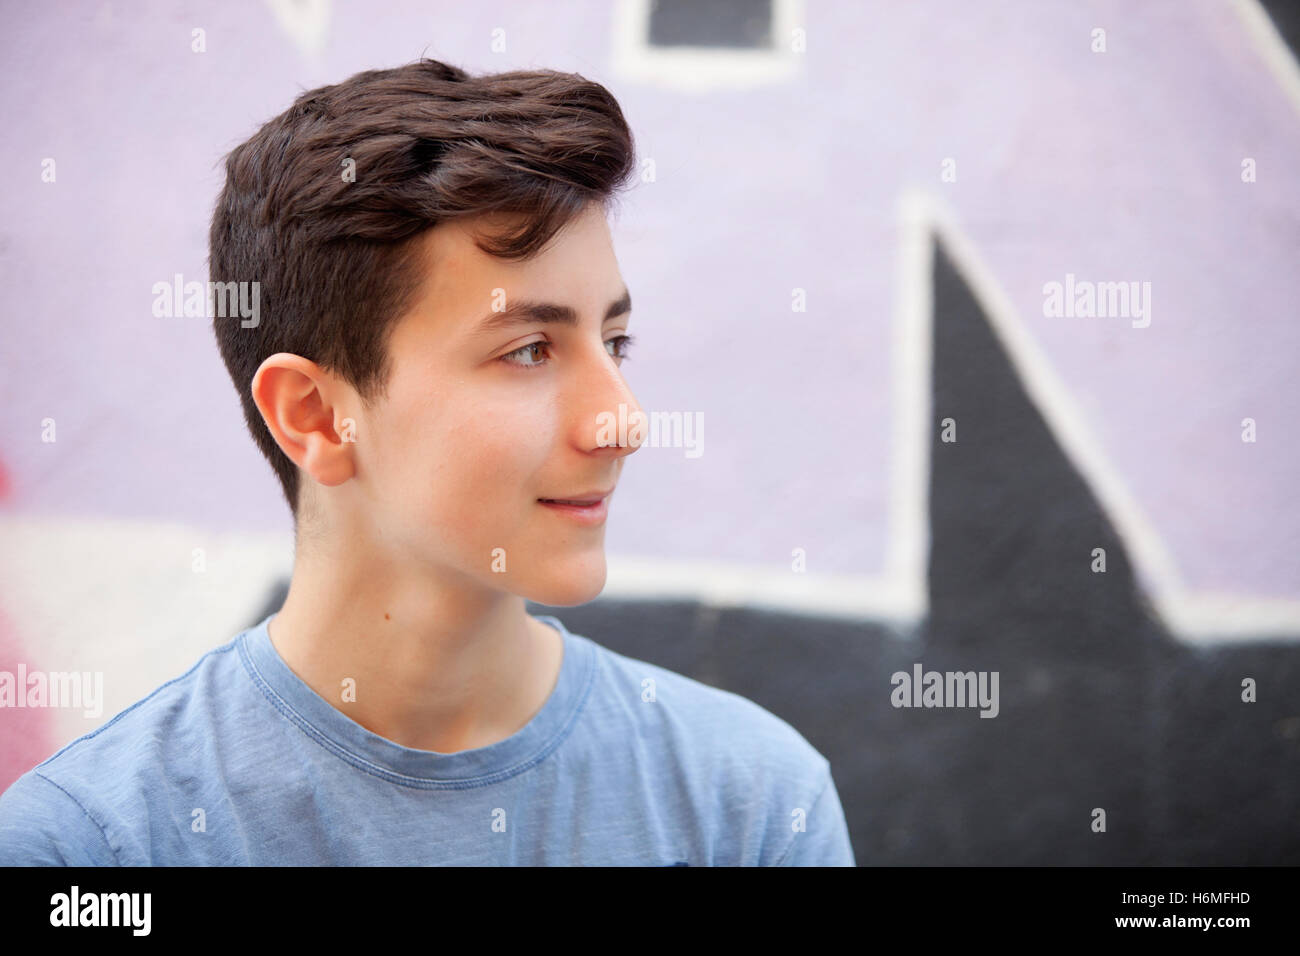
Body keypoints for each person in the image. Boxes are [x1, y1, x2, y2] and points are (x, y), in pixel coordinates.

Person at [0, 58, 855, 866]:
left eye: (615, 341)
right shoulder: (92, 849)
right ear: (316, 417)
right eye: (528, 350)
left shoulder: (749, 807)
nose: (623, 423)